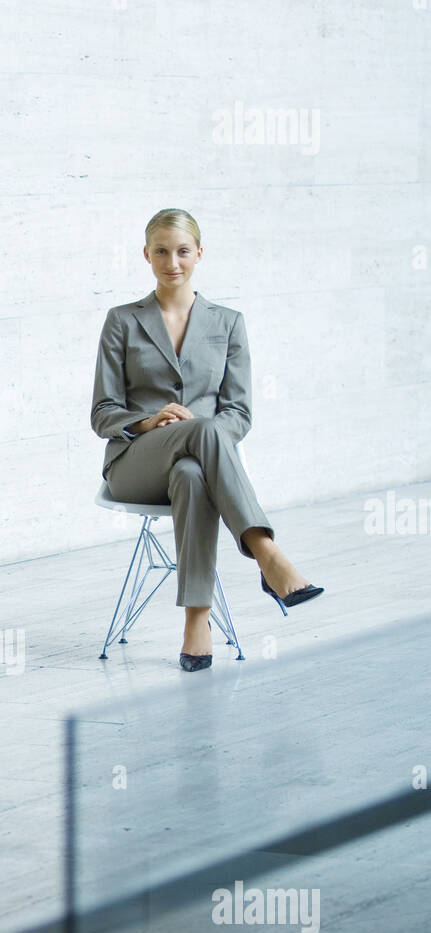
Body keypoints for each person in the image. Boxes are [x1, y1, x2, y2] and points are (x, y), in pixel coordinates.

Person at [90, 207, 323, 671]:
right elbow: (102, 413)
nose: (171, 262)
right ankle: (266, 552)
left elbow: (238, 413)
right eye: (161, 251)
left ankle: (197, 620)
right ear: (146, 255)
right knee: (201, 433)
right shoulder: (122, 320)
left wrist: (200, 432)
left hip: (198, 465)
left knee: (193, 471)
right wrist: (150, 421)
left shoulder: (228, 323)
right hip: (135, 464)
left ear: (199, 253)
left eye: (181, 251)